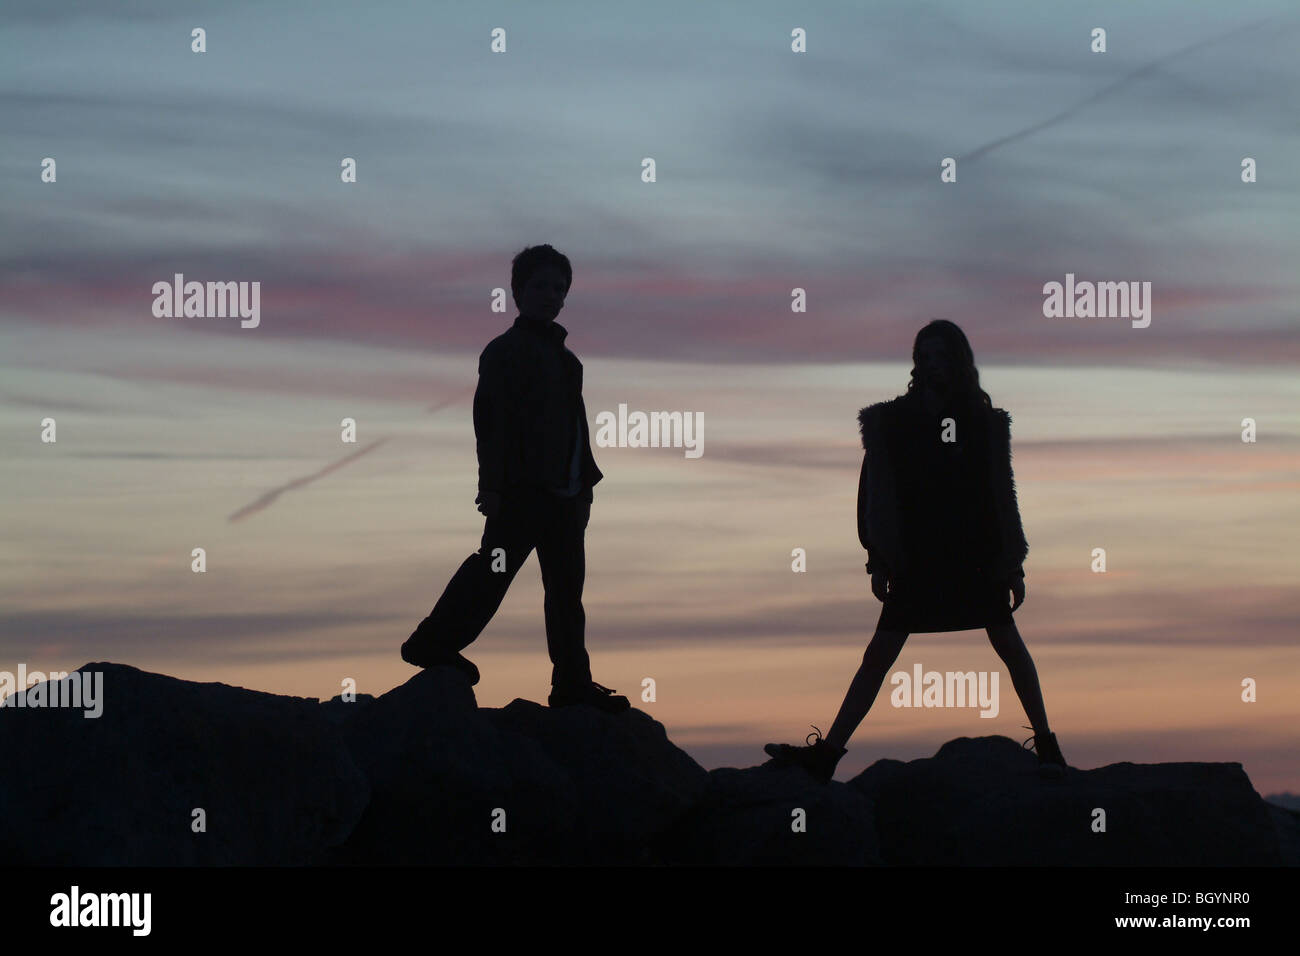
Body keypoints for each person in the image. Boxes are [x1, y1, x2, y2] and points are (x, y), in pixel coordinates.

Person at [764, 319, 1065, 780]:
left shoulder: (981, 423)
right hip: (918, 557)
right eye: (924, 356)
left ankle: (1046, 745)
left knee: (1008, 642)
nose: (931, 365)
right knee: (879, 656)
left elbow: (999, 496)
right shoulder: (894, 422)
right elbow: (874, 491)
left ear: (958, 361)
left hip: (972, 555)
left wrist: (1012, 565)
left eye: (941, 356)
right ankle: (827, 754)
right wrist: (877, 558)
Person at [401, 244, 629, 713]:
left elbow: (574, 428)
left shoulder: (568, 361)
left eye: (559, 289)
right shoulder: (505, 352)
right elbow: (491, 422)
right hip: (523, 495)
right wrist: (492, 486)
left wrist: (583, 485)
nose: (551, 296)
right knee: (492, 571)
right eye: (541, 286)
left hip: (568, 499)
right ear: (517, 291)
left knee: (566, 593)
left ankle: (571, 682)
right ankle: (431, 643)